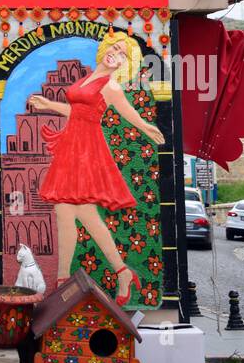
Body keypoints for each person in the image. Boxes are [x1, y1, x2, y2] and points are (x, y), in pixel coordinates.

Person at [28, 30, 164, 306]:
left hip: (86, 150)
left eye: (123, 54)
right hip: (72, 146)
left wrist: (146, 127)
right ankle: (119, 273)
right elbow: (77, 112)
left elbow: (127, 112)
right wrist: (48, 104)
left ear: (125, 64)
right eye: (114, 47)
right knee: (74, 213)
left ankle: (65, 281)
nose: (116, 54)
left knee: (70, 211)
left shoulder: (111, 86)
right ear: (105, 49)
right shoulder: (89, 77)